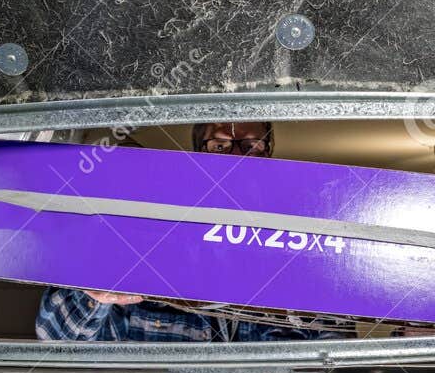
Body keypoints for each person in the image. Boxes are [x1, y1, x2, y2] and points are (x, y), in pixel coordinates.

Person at [35, 122, 348, 342]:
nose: (237, 158)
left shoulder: (303, 249)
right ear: (199, 153)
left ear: (268, 152)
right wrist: (93, 293)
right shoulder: (143, 235)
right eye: (221, 145)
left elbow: (334, 352)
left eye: (251, 145)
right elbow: (57, 337)